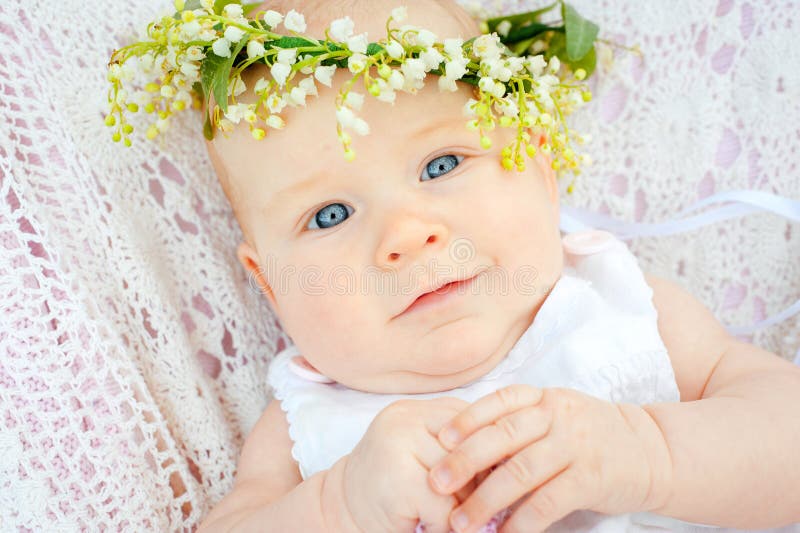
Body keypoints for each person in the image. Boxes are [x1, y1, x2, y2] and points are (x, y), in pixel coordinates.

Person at [107, 0, 800, 531]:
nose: (405, 236)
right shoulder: (301, 427)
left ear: (543, 167)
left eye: (441, 165)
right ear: (270, 285)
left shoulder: (624, 306)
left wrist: (647, 450)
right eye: (329, 215)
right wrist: (339, 505)